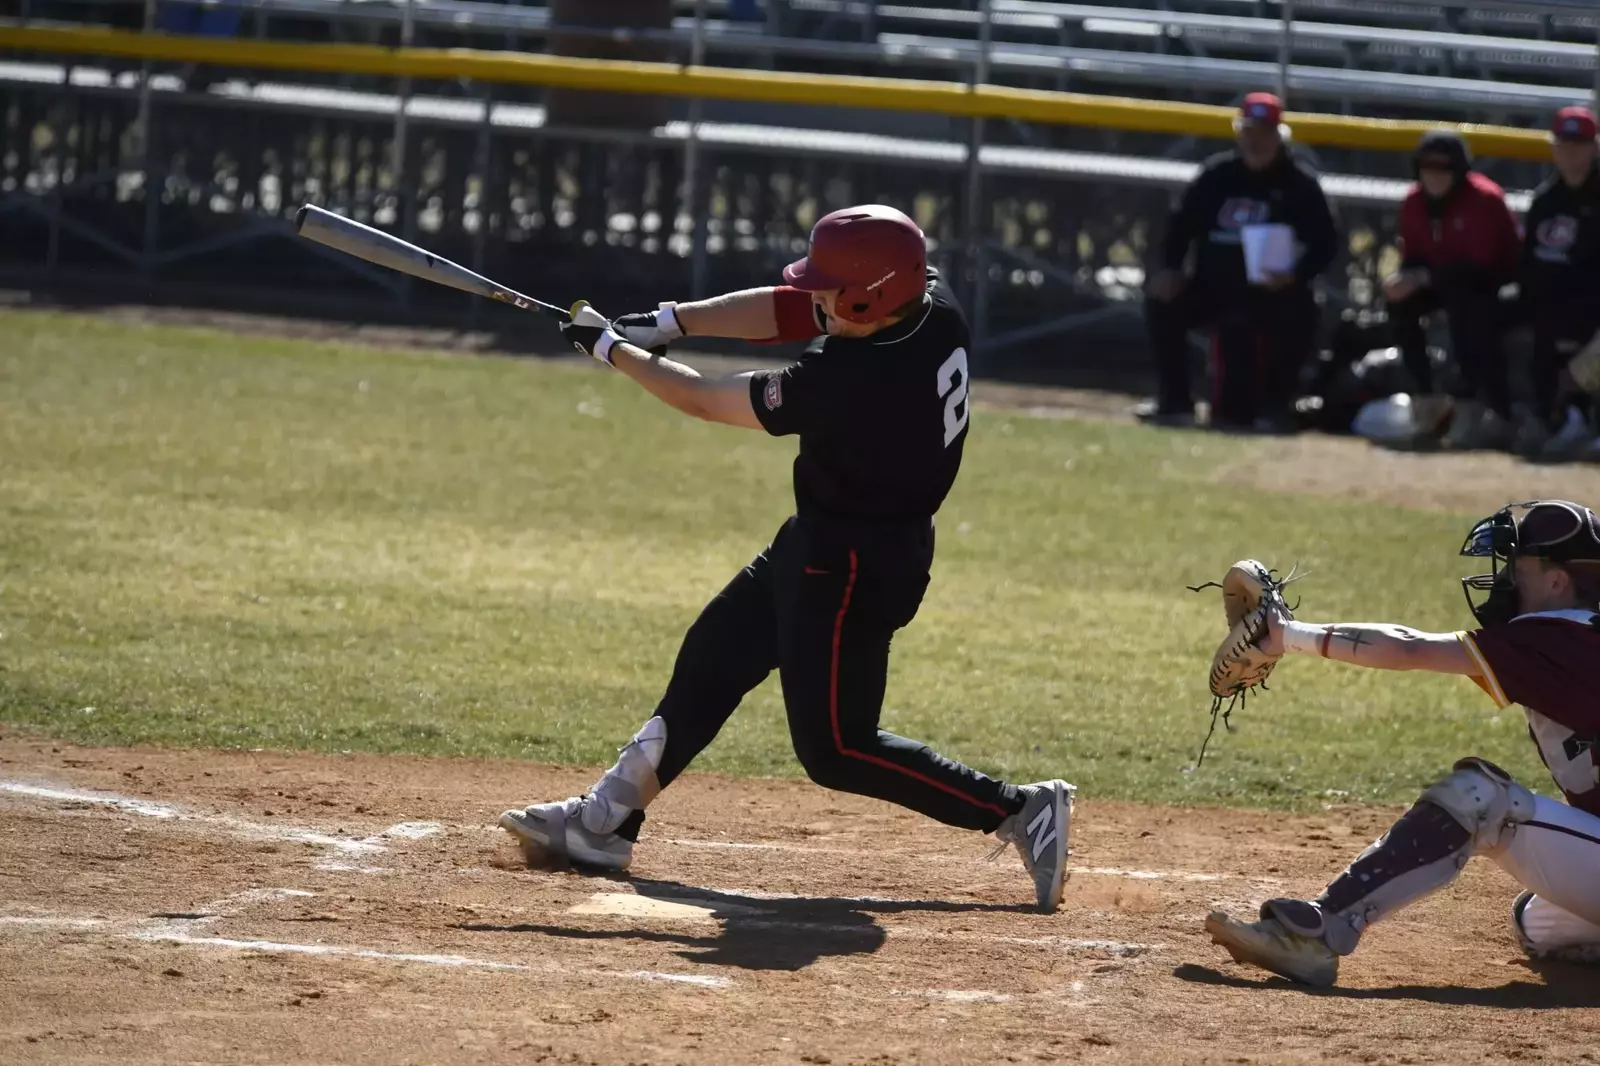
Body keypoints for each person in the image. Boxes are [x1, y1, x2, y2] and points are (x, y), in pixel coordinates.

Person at [498, 205, 1075, 912]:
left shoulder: (850, 374)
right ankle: (604, 823)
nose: (817, 299)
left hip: (856, 565)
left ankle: (1019, 809)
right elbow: (787, 307)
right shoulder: (928, 301)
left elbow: (707, 400)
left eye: (833, 289)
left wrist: (614, 351)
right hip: (825, 539)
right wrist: (675, 320)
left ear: (868, 296)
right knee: (713, 654)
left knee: (836, 748)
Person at [1205, 499, 1600, 985]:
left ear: (1557, 581)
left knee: (1481, 798)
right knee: (1538, 921)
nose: (1507, 582)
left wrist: (1287, 635)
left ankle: (1318, 932)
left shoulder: (1555, 638)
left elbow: (1409, 647)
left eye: (1519, 568)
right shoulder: (1574, 641)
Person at [1139, 92, 1338, 432]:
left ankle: (1275, 405)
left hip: (1270, 292)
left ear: (1280, 136)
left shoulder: (1298, 184)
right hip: (1213, 287)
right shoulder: (1216, 176)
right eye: (1249, 131)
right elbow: (1179, 227)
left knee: (1302, 310)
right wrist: (1170, 269)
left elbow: (1326, 242)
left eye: (1264, 133)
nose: (1256, 141)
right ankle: (1174, 401)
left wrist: (1294, 275)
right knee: (1162, 300)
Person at [1385, 130, 1522, 451]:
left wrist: (1422, 277)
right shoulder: (1414, 202)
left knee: (1468, 307)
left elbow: (1482, 266)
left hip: (1496, 283)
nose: (1434, 175)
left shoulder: (1484, 199)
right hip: (1441, 280)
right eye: (1427, 167)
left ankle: (1473, 404)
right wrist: (1402, 279)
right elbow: (1415, 256)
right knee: (1399, 305)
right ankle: (1427, 397)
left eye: (1443, 168)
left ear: (1459, 171)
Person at [1516, 107, 1600, 461]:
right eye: (1564, 144)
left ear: (1595, 148)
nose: (1571, 152)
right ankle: (1547, 416)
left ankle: (1578, 419)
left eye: (1579, 144)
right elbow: (1530, 267)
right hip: (1554, 306)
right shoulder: (1545, 200)